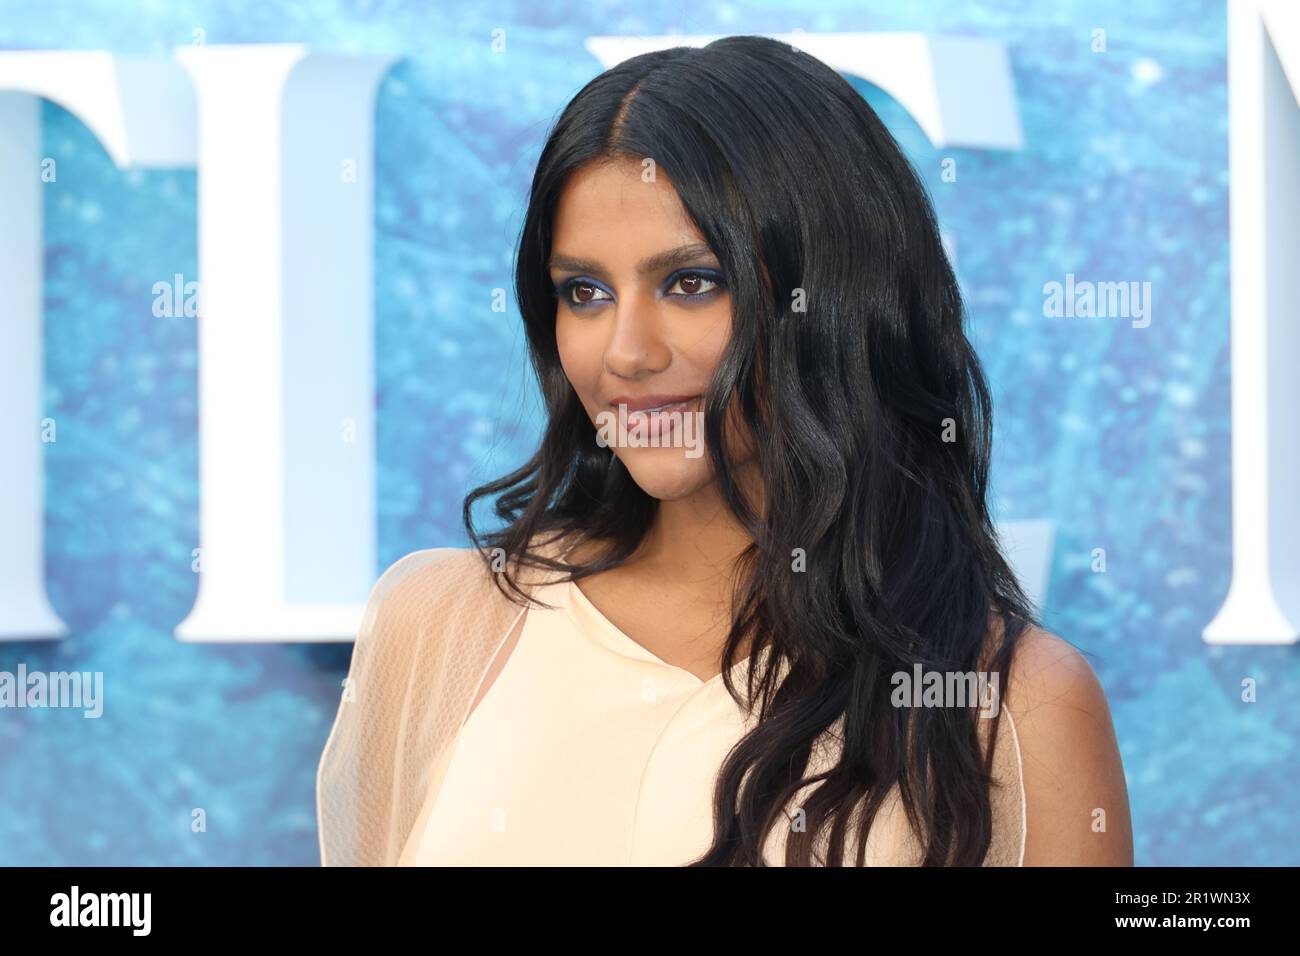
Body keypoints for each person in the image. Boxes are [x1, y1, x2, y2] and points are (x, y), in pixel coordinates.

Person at [317, 34, 1132, 867]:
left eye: (691, 282)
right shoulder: (439, 627)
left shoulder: (1010, 706)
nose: (626, 352)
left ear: (835, 297)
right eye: (585, 292)